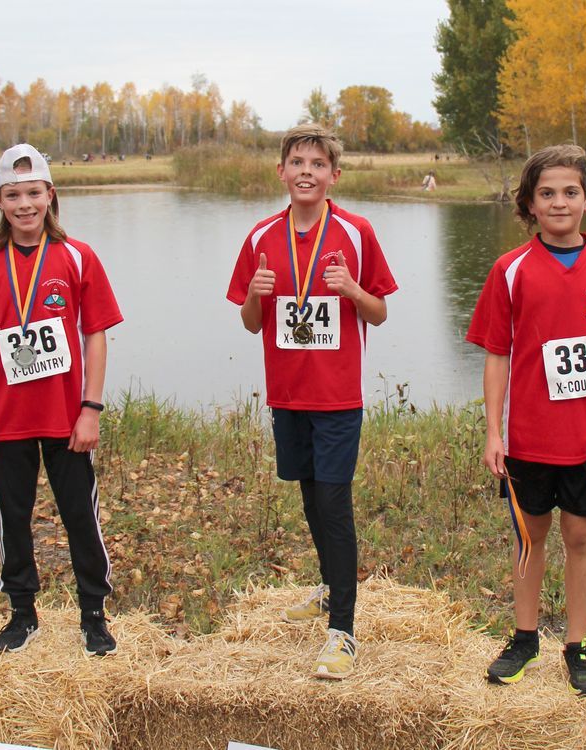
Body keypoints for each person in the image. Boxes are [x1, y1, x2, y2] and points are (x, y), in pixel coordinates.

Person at [466, 144, 586, 695]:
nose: (559, 202)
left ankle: (577, 645)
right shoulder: (511, 270)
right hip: (528, 440)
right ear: (529, 203)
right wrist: (494, 432)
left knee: (580, 536)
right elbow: (496, 355)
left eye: (569, 192)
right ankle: (525, 636)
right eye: (546, 193)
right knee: (532, 538)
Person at [226, 123, 398, 680]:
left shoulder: (356, 231)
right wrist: (255, 296)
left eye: (317, 164)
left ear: (333, 175)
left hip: (338, 397)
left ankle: (343, 633)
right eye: (297, 161)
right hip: (288, 395)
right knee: (308, 498)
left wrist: (351, 290)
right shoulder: (260, 238)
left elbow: (380, 312)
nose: (306, 171)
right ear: (281, 171)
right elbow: (251, 325)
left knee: (334, 502)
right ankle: (330, 589)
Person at [0, 143, 124, 656]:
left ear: (51, 195)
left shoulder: (77, 257)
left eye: (34, 193)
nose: (25, 204)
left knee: (80, 517)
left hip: (67, 418)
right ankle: (22, 613)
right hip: (7, 422)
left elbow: (95, 334)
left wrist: (91, 408)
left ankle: (94, 614)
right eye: (13, 195)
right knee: (13, 518)